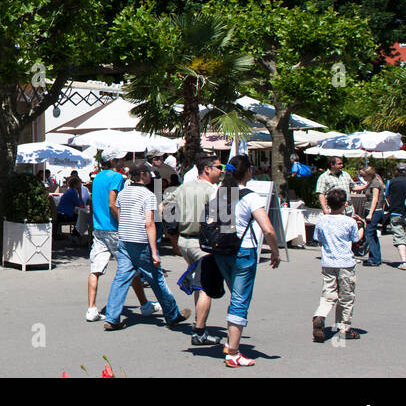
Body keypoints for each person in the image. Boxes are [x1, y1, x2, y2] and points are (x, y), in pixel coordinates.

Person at [101, 162, 191, 332]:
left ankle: (112, 317)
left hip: (125, 240)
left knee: (121, 279)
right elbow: (149, 223)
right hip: (141, 241)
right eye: (148, 173)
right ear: (142, 174)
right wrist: (155, 252)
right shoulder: (148, 195)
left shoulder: (123, 193)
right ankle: (172, 314)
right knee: (156, 278)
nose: (151, 176)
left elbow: (120, 212)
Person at [208, 155, 280, 369]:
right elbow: (268, 228)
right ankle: (233, 352)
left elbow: (211, 222)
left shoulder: (220, 194)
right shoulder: (251, 197)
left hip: (221, 251)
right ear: (248, 171)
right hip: (243, 251)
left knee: (236, 296)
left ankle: (231, 341)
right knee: (240, 299)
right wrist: (275, 252)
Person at [86, 159, 156, 322]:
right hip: (114, 228)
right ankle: (144, 304)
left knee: (95, 268)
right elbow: (112, 203)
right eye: (119, 158)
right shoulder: (116, 177)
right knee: (129, 267)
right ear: (113, 161)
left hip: (99, 227)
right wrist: (122, 221)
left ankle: (91, 308)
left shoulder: (97, 177)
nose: (122, 160)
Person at [172, 155, 223, 346]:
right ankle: (199, 331)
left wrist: (173, 235)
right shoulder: (214, 190)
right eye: (218, 167)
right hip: (202, 243)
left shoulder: (183, 187)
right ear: (207, 169)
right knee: (206, 287)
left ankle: (198, 321)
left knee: (199, 283)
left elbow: (165, 207)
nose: (221, 171)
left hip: (184, 241)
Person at [312, 188, 364, 342]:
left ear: (327, 203)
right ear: (345, 204)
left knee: (328, 293)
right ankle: (344, 327)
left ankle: (320, 315)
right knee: (346, 296)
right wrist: (362, 226)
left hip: (328, 262)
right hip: (345, 263)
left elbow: (317, 238)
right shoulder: (349, 221)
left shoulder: (322, 220)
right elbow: (356, 239)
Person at [358, 165, 386, 267]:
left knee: (369, 234)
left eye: (363, 175)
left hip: (374, 211)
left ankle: (374, 258)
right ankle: (375, 257)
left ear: (369, 175)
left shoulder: (375, 184)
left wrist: (370, 214)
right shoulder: (372, 182)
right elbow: (362, 187)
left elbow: (375, 199)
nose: (362, 178)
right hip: (372, 211)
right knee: (373, 234)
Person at [56, 175, 89, 240]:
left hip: (62, 213)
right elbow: (80, 204)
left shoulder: (70, 191)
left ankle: (76, 233)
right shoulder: (73, 192)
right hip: (65, 215)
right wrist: (79, 193)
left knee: (81, 217)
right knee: (84, 218)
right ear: (75, 184)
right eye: (79, 183)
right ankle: (75, 234)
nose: (81, 185)